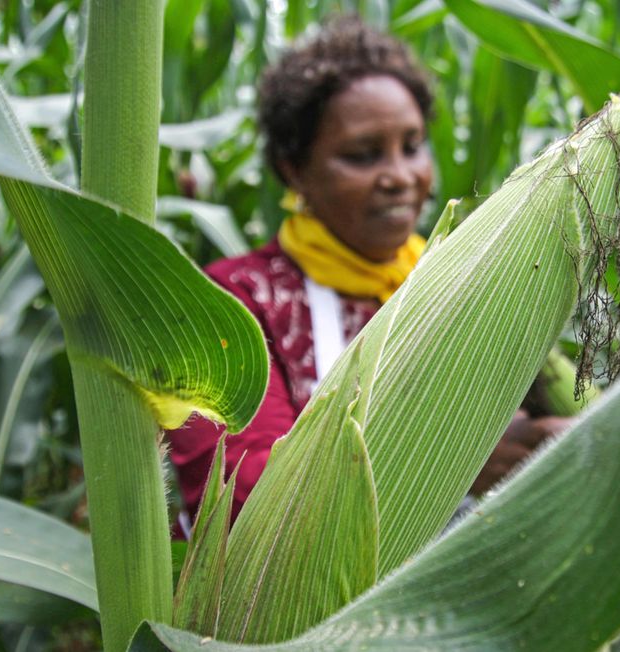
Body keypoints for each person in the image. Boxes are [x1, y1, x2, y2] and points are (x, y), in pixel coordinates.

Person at [168, 17, 565, 527]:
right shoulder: (233, 302)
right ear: (293, 169)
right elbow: (241, 502)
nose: (400, 178)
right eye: (363, 155)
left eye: (413, 146)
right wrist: (450, 461)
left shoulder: (458, 280)